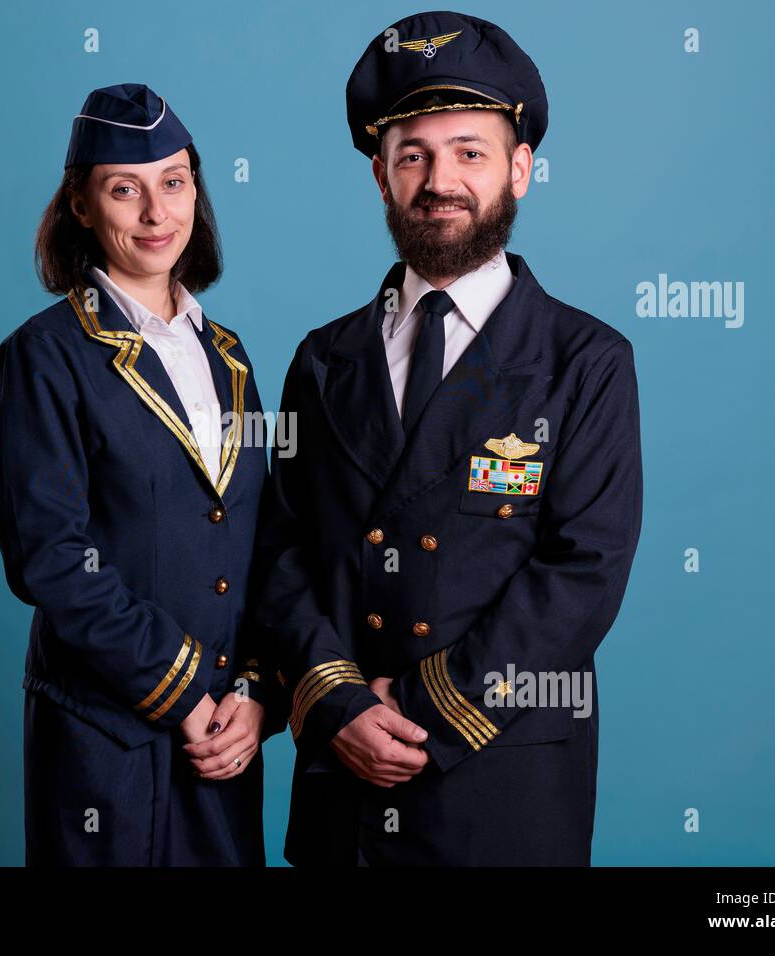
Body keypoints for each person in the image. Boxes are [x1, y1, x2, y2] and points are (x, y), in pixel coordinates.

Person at [254, 12, 644, 865]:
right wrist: (336, 705)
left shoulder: (588, 361)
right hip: (343, 790)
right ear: (380, 177)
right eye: (413, 154)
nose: (441, 180)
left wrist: (423, 710)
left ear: (522, 170)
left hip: (497, 783)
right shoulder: (322, 360)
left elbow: (583, 572)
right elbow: (281, 550)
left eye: (470, 150)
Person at [0, 83, 283, 865]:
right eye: (126, 189)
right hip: (102, 743)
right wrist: (184, 693)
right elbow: (49, 556)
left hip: (223, 743)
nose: (158, 214)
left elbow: (265, 541)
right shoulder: (44, 356)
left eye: (175, 184)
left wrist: (254, 696)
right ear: (82, 207)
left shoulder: (230, 355)